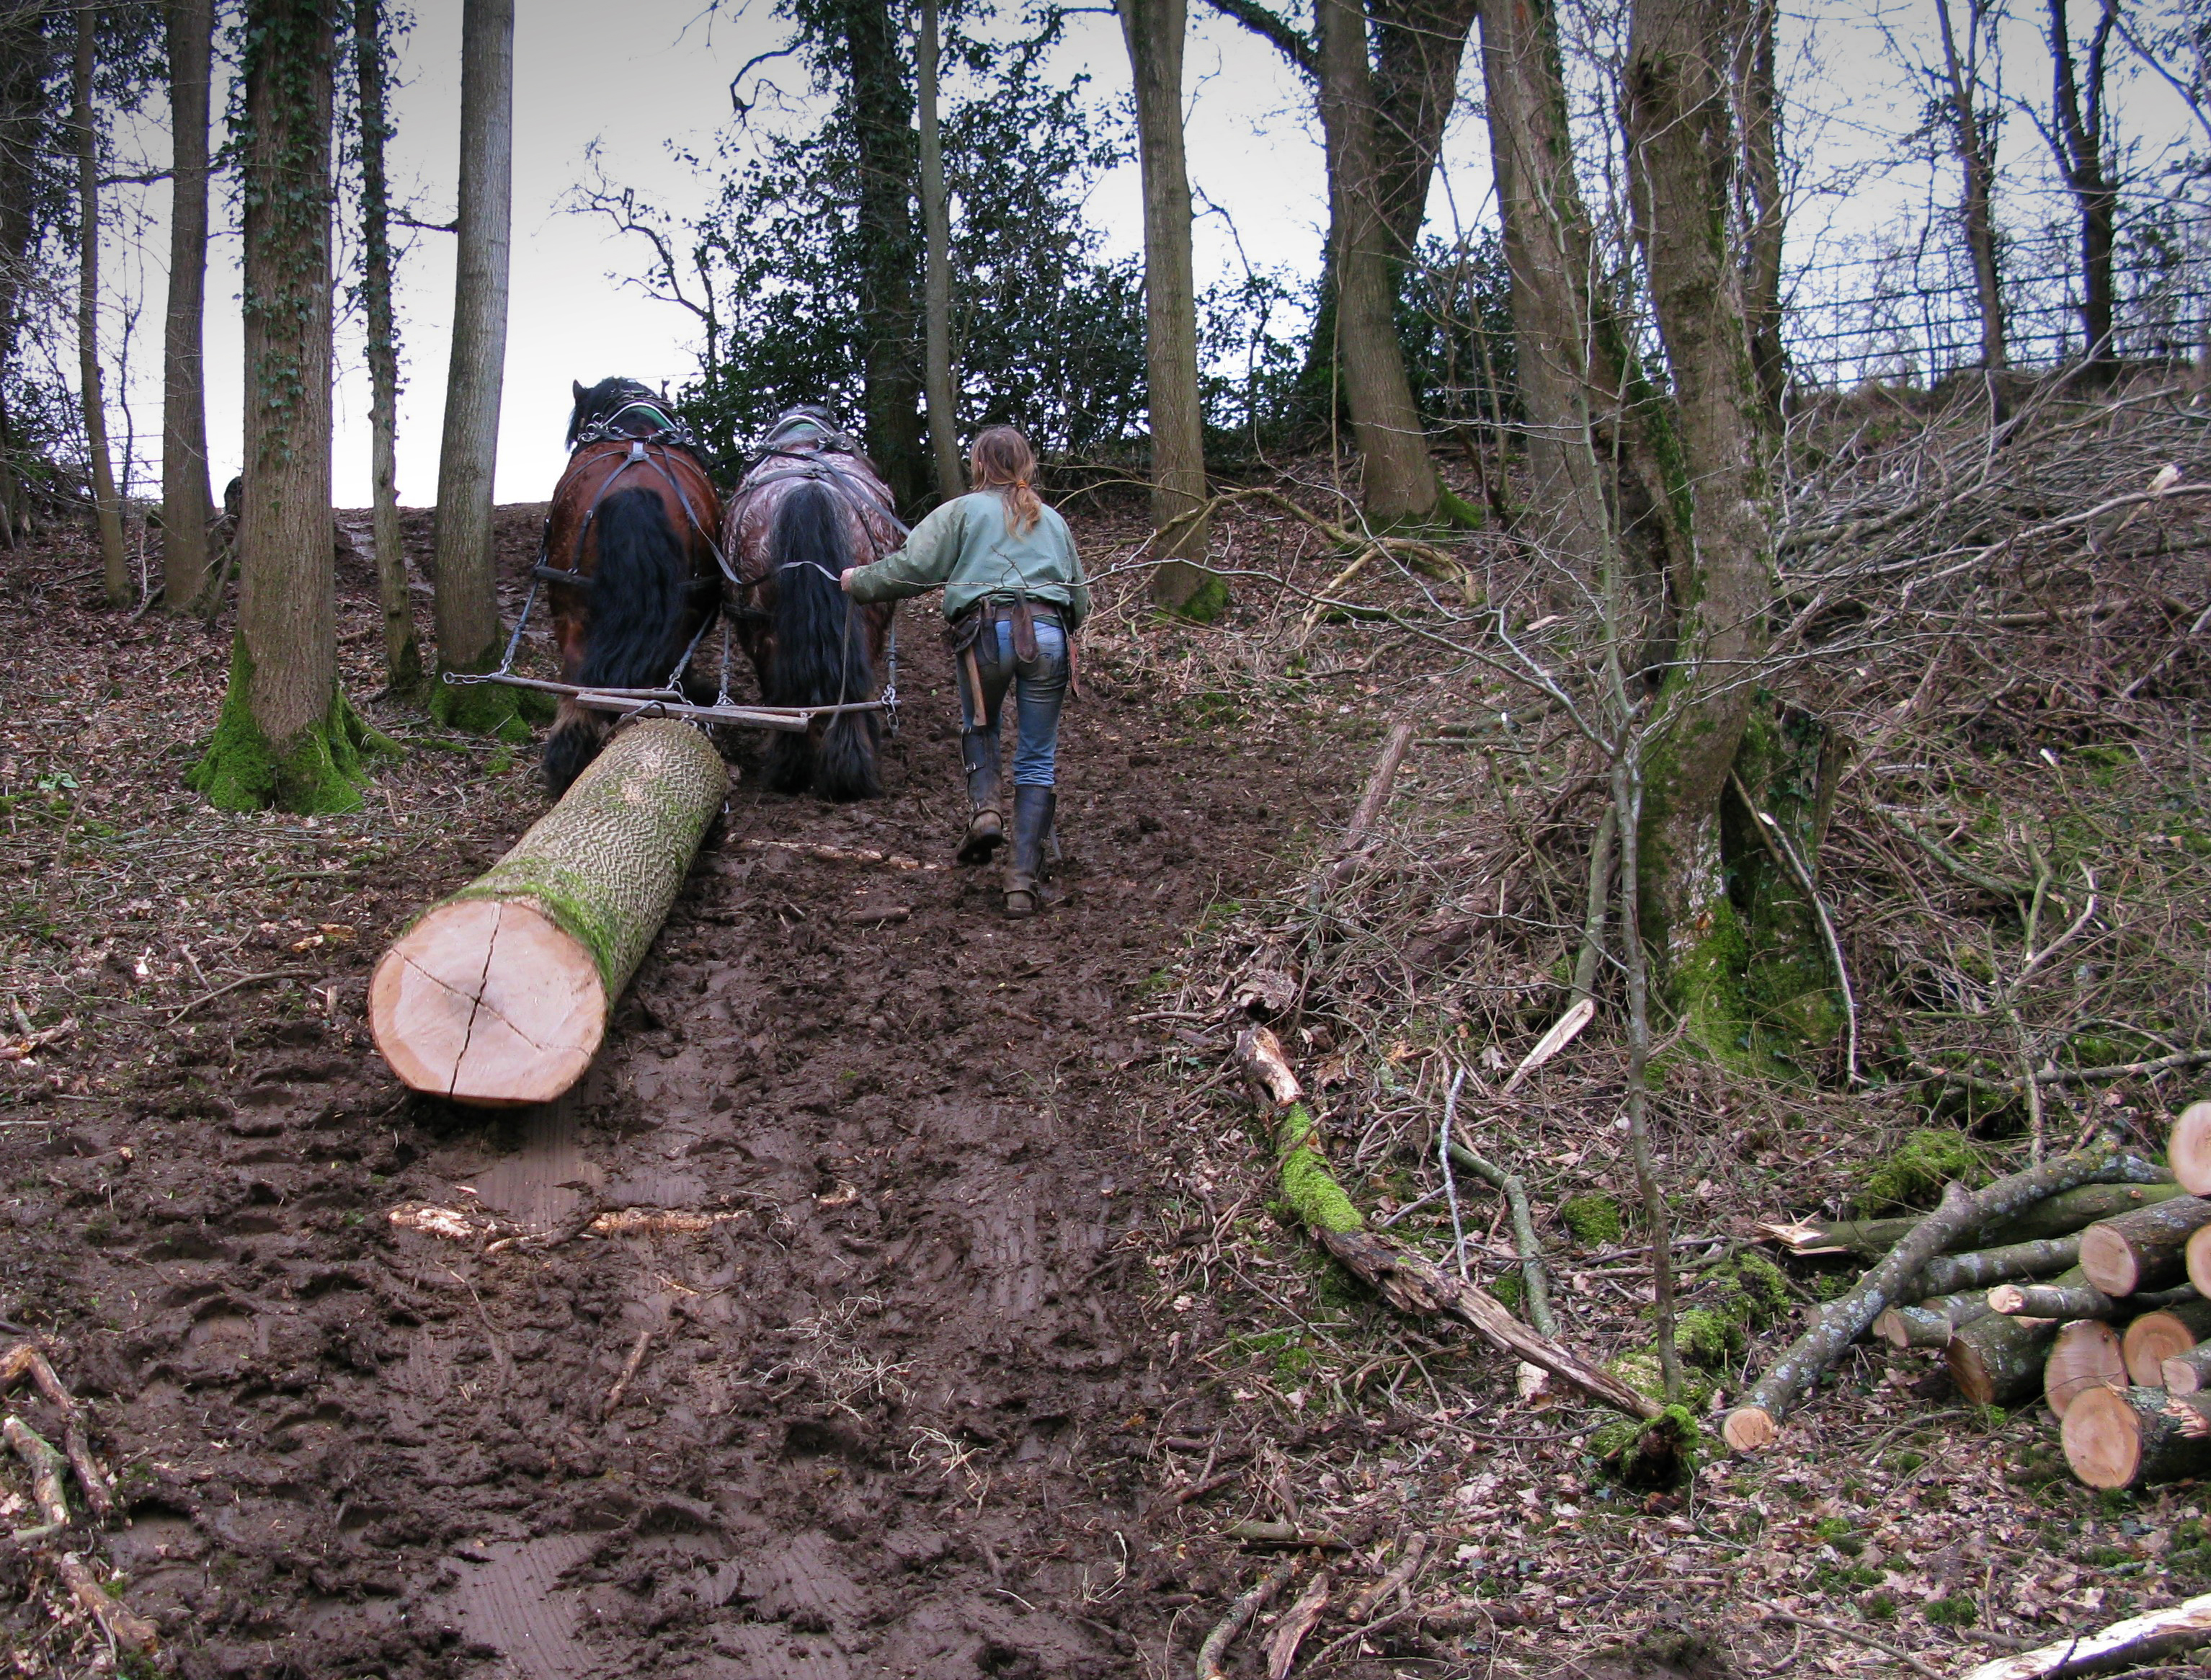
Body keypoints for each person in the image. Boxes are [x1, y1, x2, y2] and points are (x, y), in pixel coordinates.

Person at [840, 427, 1089, 917]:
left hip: (985, 635)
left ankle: (987, 812)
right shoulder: (1055, 521)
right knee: (1037, 759)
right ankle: (1020, 884)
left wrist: (858, 582)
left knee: (981, 724)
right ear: (1026, 466)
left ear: (979, 465)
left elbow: (913, 568)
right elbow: (1078, 599)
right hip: (1050, 637)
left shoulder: (960, 512)